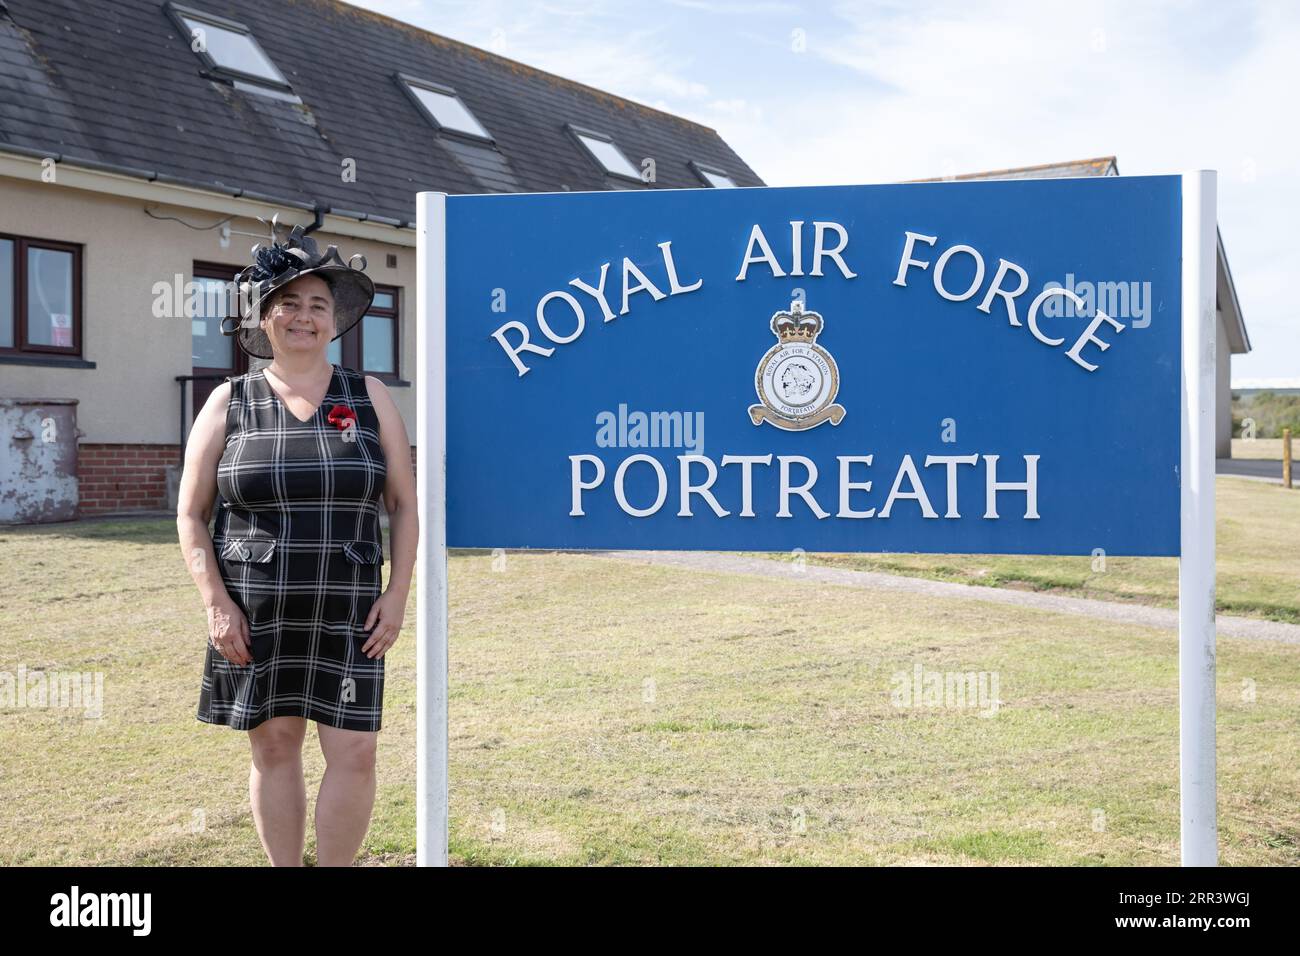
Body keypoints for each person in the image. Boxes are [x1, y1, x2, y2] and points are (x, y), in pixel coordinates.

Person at [176, 221, 418, 866]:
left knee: (355, 749)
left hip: (350, 604)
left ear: (333, 319)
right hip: (257, 606)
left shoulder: (367, 395)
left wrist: (398, 594)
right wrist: (215, 604)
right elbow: (192, 514)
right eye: (288, 303)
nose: (303, 317)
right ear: (265, 317)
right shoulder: (229, 401)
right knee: (275, 745)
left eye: (317, 304)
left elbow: (402, 502)